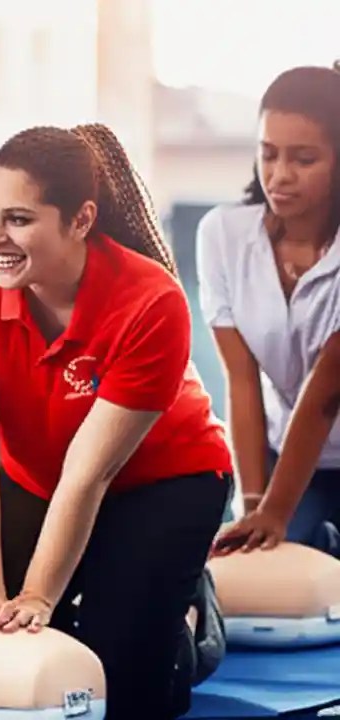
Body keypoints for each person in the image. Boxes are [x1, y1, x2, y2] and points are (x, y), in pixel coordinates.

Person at [0, 123, 234, 719]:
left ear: (80, 221)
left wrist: (36, 598)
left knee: (116, 688)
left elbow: (89, 473)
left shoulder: (150, 301)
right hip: (32, 478)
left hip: (164, 482)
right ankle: (116, 595)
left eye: (18, 220)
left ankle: (185, 613)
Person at [198, 62, 340, 558]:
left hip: (322, 433)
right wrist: (254, 505)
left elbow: (327, 390)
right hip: (289, 456)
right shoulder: (223, 235)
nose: (280, 176)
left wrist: (275, 512)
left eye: (303, 159)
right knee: (267, 556)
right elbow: (241, 380)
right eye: (268, 154)